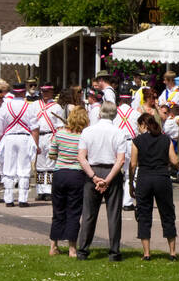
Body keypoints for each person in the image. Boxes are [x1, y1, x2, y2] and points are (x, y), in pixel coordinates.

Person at [76, 104, 126, 260]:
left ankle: (83, 250)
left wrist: (93, 177)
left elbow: (81, 157)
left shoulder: (88, 131)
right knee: (114, 214)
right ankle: (114, 252)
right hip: (112, 171)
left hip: (93, 170)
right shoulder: (119, 132)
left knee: (89, 214)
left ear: (99, 114)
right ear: (115, 115)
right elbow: (120, 160)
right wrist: (108, 179)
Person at [129, 110, 179, 260]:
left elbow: (132, 164)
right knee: (167, 214)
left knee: (144, 214)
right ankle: (172, 252)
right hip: (162, 178)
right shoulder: (165, 140)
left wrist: (131, 183)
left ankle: (146, 253)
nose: (138, 129)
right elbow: (175, 161)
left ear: (144, 125)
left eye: (139, 126)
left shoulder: (137, 141)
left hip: (144, 179)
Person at [48, 106, 90, 257]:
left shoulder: (60, 134)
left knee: (58, 210)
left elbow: (52, 153)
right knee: (73, 211)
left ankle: (53, 246)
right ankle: (72, 248)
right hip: (77, 174)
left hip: (60, 173)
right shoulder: (84, 137)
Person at [0, 83, 39, 208]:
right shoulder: (29, 107)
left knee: (8, 169)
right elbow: (35, 128)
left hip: (9, 138)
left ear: (14, 93)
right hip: (24, 138)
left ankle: (8, 199)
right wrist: (36, 145)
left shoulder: (5, 106)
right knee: (24, 169)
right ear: (23, 92)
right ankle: (23, 199)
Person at [34, 84, 65, 201]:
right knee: (40, 166)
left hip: (50, 136)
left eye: (47, 91)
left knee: (50, 165)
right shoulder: (36, 105)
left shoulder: (57, 107)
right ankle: (40, 190)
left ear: (52, 92)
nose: (45, 94)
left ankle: (49, 190)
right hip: (39, 136)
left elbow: (60, 126)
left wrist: (56, 139)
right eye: (43, 91)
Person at [114, 88, 139, 209]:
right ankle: (127, 202)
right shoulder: (135, 113)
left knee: (116, 172)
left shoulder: (114, 112)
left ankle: (116, 200)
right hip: (131, 144)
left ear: (120, 99)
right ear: (129, 100)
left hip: (116, 144)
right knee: (131, 173)